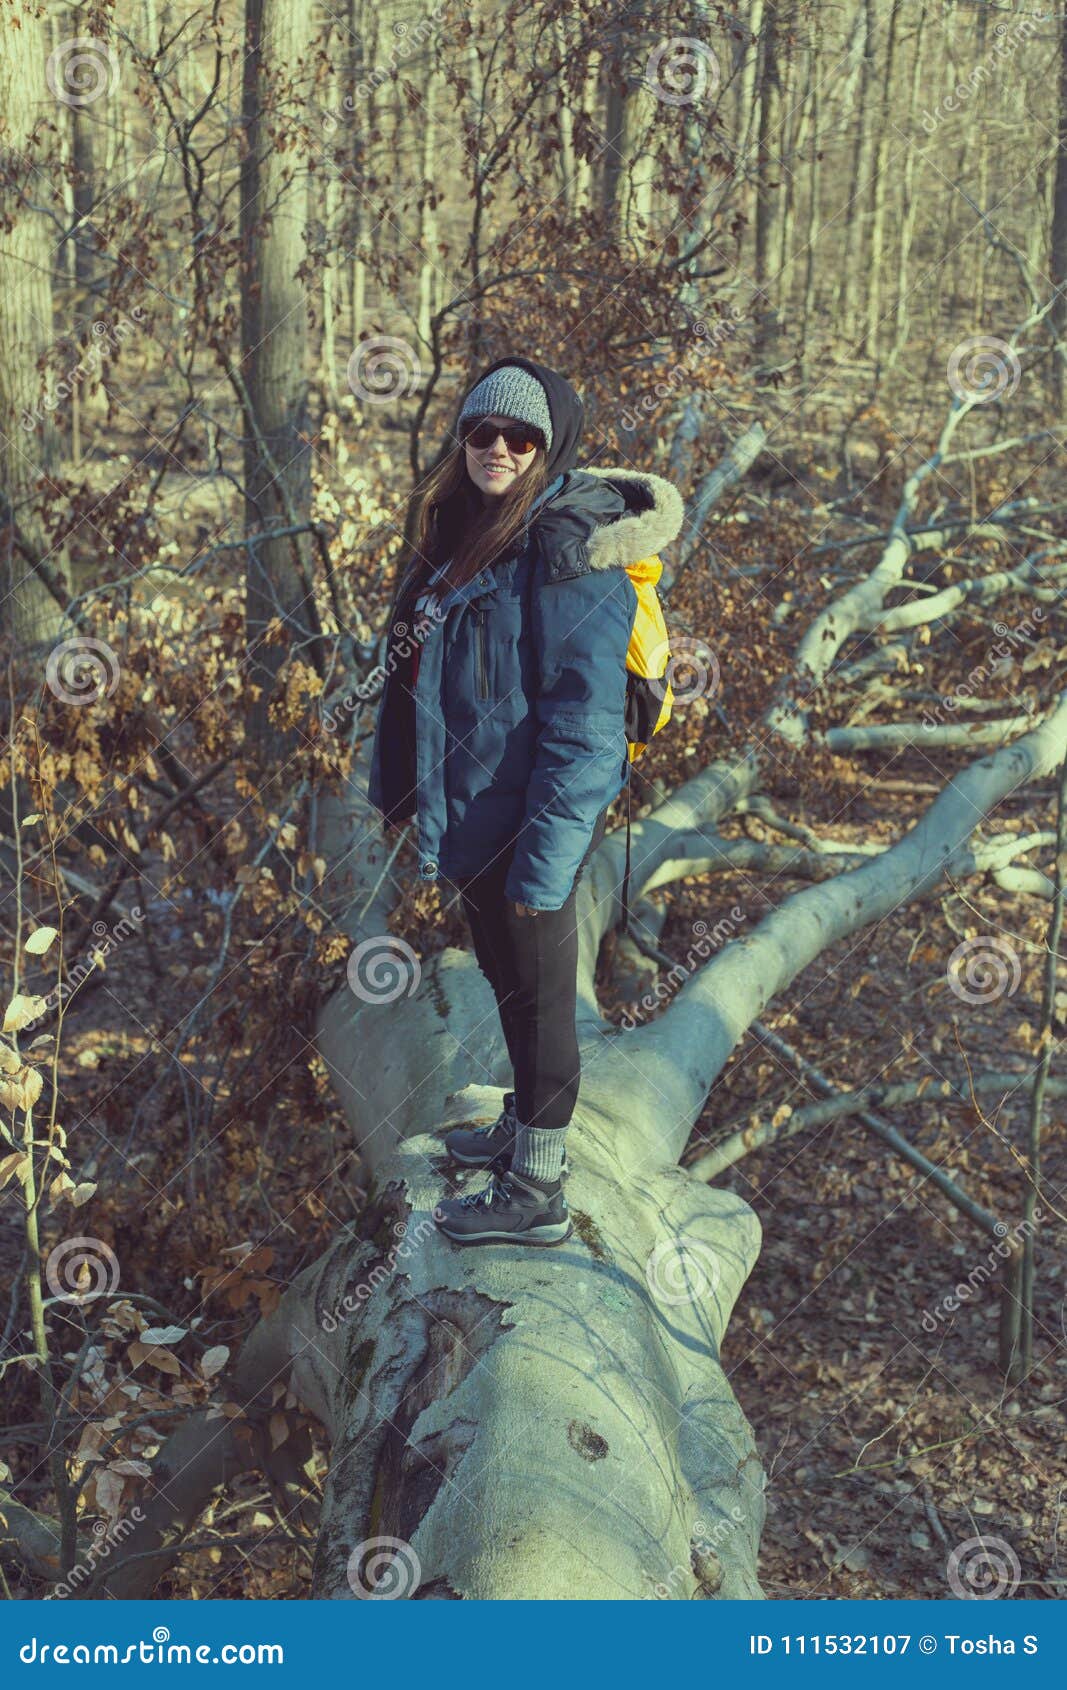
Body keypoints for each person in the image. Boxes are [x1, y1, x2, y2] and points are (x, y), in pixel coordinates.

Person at [366, 356, 684, 1247]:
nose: (496, 448)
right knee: (507, 980)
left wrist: (543, 866)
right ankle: (522, 1126)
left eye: (519, 436)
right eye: (480, 431)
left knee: (542, 991)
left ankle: (538, 1190)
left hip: (531, 820)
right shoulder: (465, 527)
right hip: (476, 811)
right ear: (460, 437)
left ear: (549, 446)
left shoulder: (567, 551)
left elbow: (583, 731)